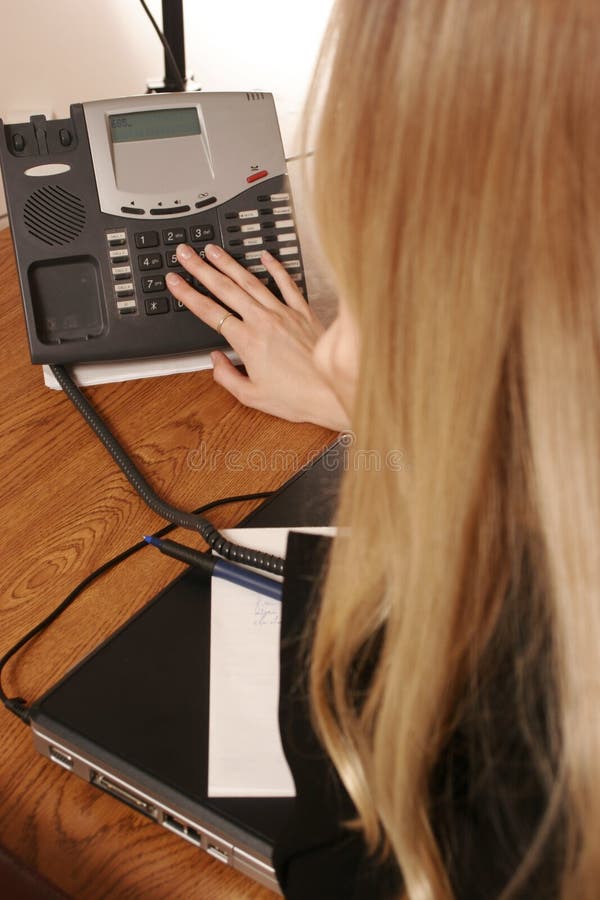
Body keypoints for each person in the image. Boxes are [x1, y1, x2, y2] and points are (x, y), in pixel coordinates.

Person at [166, 1, 600, 897]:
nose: (335, 349)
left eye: (400, 297)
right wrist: (389, 404)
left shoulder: (503, 790)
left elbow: (342, 860)